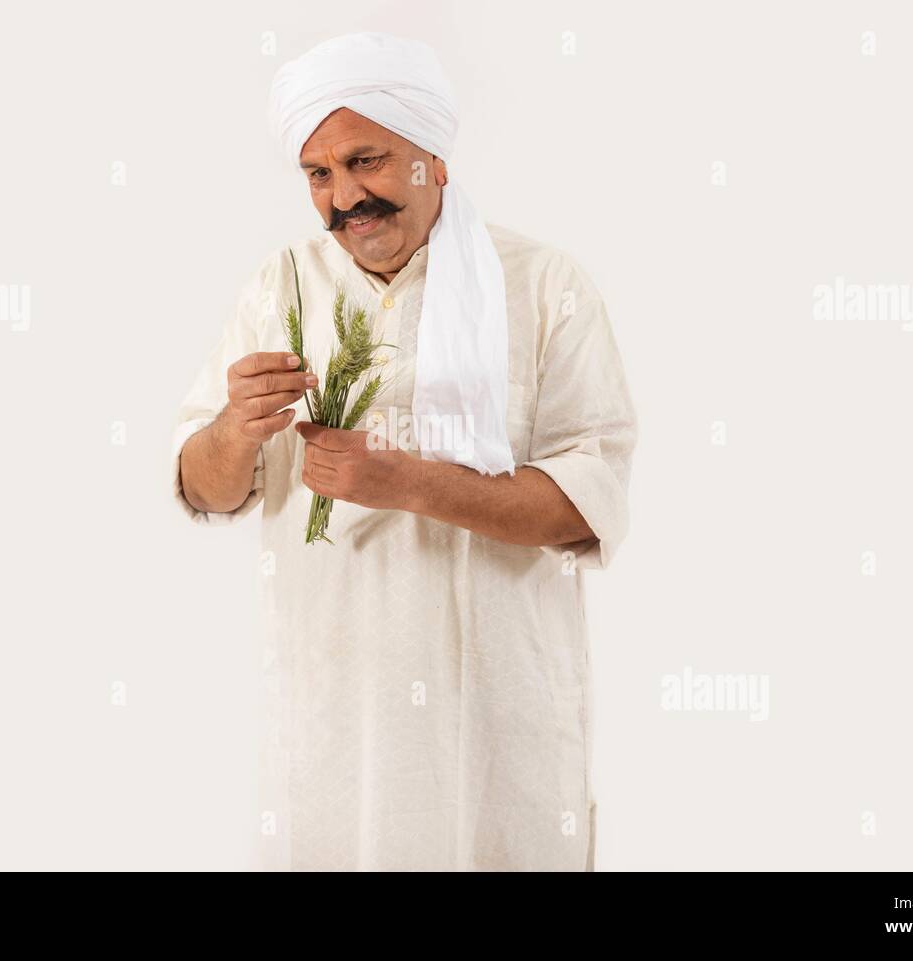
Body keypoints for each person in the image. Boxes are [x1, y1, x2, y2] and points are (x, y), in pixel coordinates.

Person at [172, 32, 637, 871]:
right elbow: (203, 490)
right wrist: (235, 429)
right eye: (319, 175)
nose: (344, 196)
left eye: (367, 161)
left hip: (502, 727)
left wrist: (406, 482)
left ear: (435, 160)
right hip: (335, 732)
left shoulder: (543, 288)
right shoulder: (280, 289)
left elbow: (586, 507)